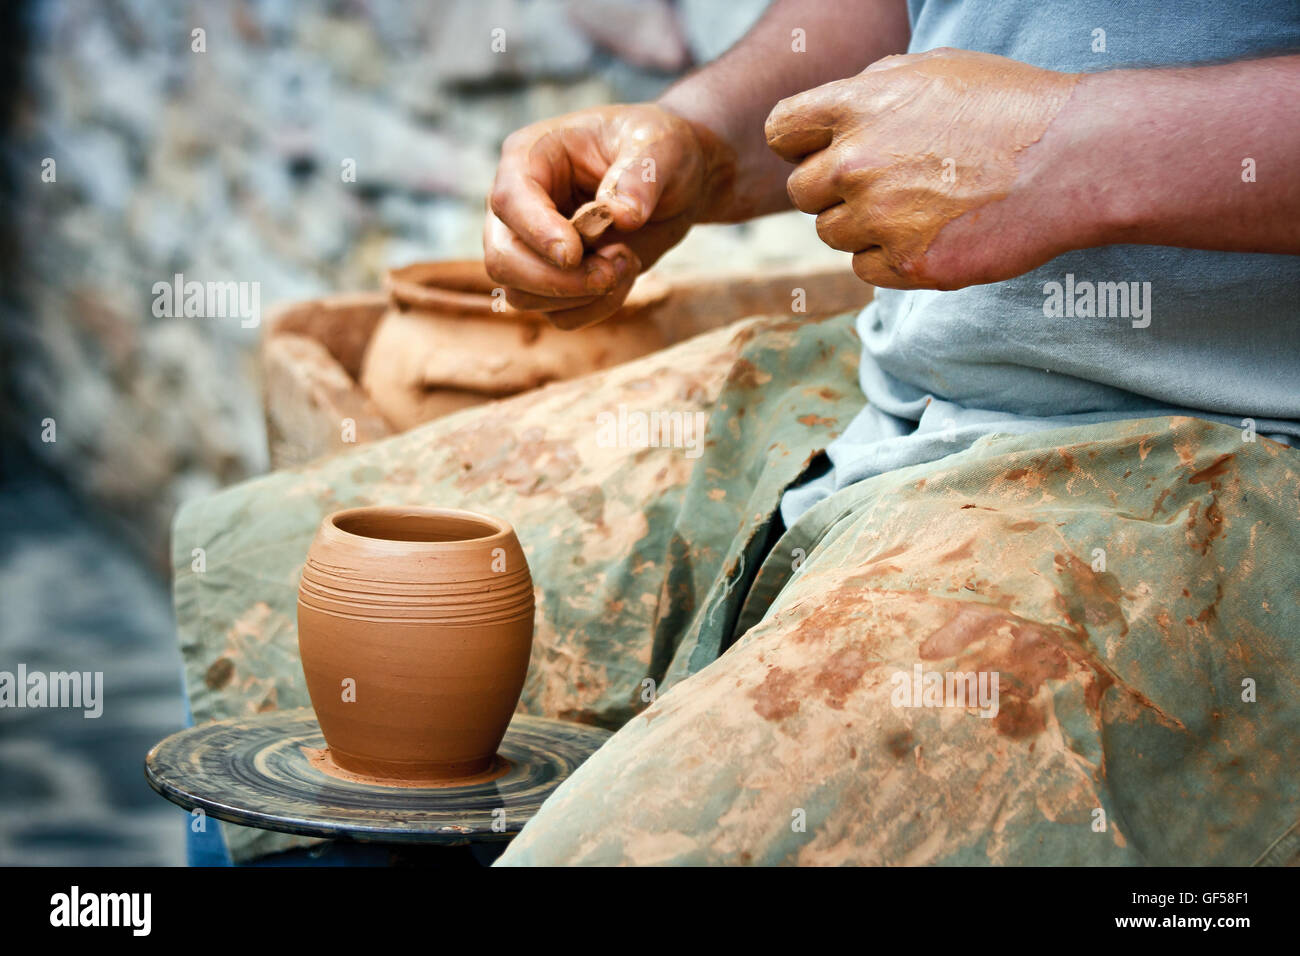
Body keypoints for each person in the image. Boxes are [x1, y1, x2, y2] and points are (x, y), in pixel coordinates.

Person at [176, 0, 1300, 865]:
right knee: (266, 586)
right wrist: (703, 139)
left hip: (1220, 458)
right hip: (899, 387)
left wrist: (1074, 148)